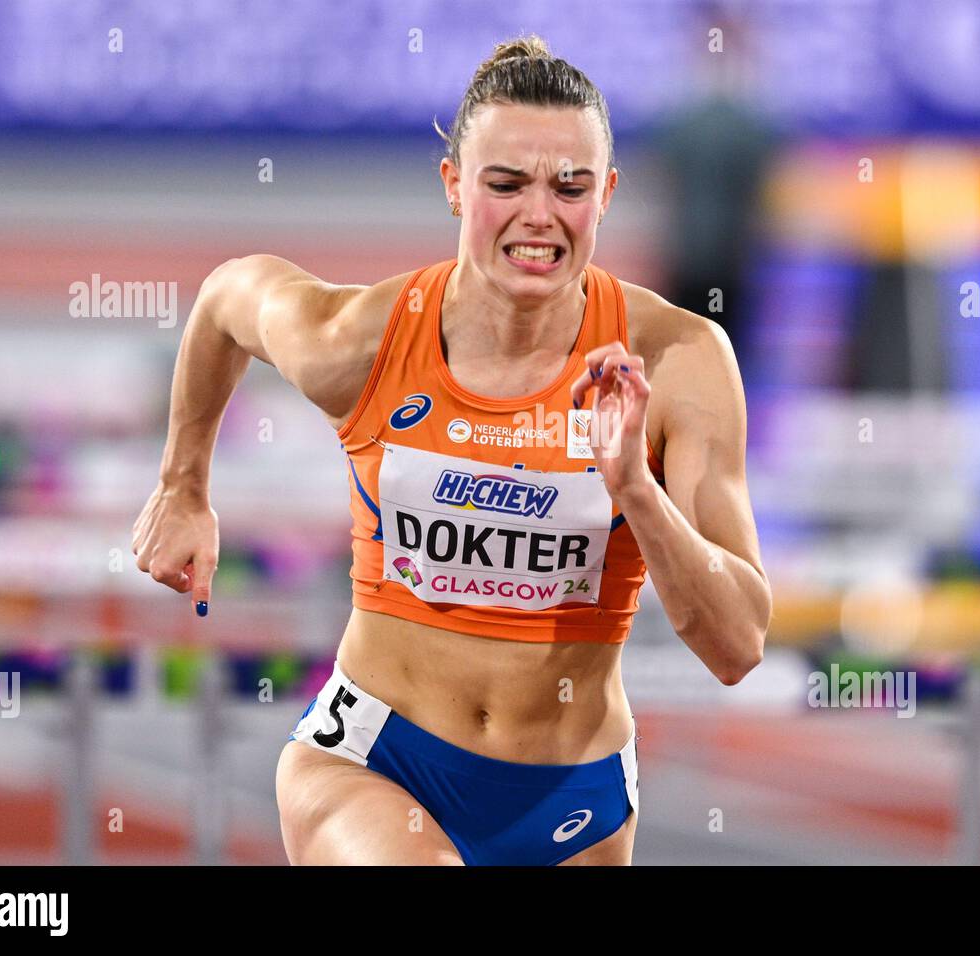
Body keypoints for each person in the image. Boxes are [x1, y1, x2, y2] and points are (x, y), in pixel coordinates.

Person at [131, 34, 770, 866]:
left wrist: (635, 493)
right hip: (375, 761)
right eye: (505, 184)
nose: (538, 216)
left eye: (569, 187)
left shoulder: (678, 363)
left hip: (571, 797)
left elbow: (737, 645)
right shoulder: (360, 342)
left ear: (606, 194)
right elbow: (226, 298)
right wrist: (183, 487)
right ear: (454, 185)